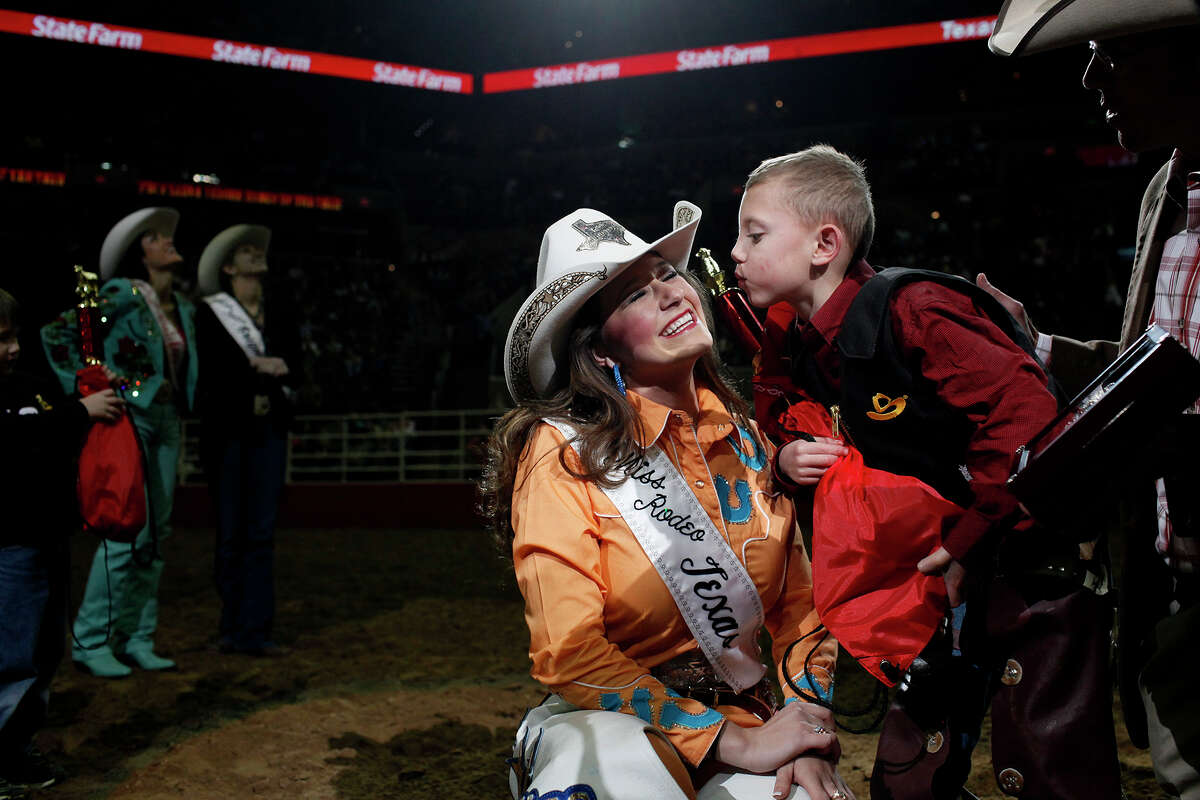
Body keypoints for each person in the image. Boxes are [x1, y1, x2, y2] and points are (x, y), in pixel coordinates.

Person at [730, 145, 1121, 799]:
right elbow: (791, 417)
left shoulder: (914, 309)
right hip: (944, 590)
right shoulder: (807, 346)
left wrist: (968, 541)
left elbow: (1027, 420)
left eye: (754, 234)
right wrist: (784, 460)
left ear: (825, 243)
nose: (736, 253)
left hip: (1030, 574)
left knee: (1052, 769)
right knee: (909, 780)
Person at [482, 203, 854, 800]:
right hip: (619, 722)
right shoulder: (560, 454)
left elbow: (800, 612)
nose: (669, 295)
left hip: (747, 717)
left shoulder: (750, 440)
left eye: (667, 275)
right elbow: (568, 649)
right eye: (632, 295)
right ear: (600, 350)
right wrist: (737, 746)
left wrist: (806, 729)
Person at [984, 3, 1200, 796]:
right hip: (1175, 570)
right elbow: (1155, 368)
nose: (1090, 75)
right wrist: (1034, 344)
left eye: (1111, 51)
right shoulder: (1163, 191)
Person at [41, 207, 199, 678]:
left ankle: (135, 637)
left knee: (156, 535)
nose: (168, 241)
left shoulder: (183, 307)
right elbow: (59, 333)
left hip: (167, 420)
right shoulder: (123, 294)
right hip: (132, 420)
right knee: (128, 531)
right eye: (156, 237)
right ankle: (92, 640)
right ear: (140, 253)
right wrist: (100, 385)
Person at [0, 288, 123, 799]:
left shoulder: (32, 387)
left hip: (47, 539)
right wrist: (79, 412)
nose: (12, 348)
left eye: (13, 336)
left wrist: (96, 394)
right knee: (12, 656)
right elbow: (16, 440)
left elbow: (58, 429)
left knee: (43, 651)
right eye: (1, 338)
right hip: (10, 546)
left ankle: (15, 749)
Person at [195, 224, 294, 657]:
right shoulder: (211, 313)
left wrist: (280, 368)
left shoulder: (280, 311)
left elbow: (298, 367)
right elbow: (211, 377)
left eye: (259, 250)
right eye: (247, 252)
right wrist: (261, 370)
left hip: (268, 431)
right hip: (229, 435)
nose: (257, 256)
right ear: (230, 266)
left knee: (261, 533)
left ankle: (256, 627)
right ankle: (231, 625)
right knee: (232, 532)